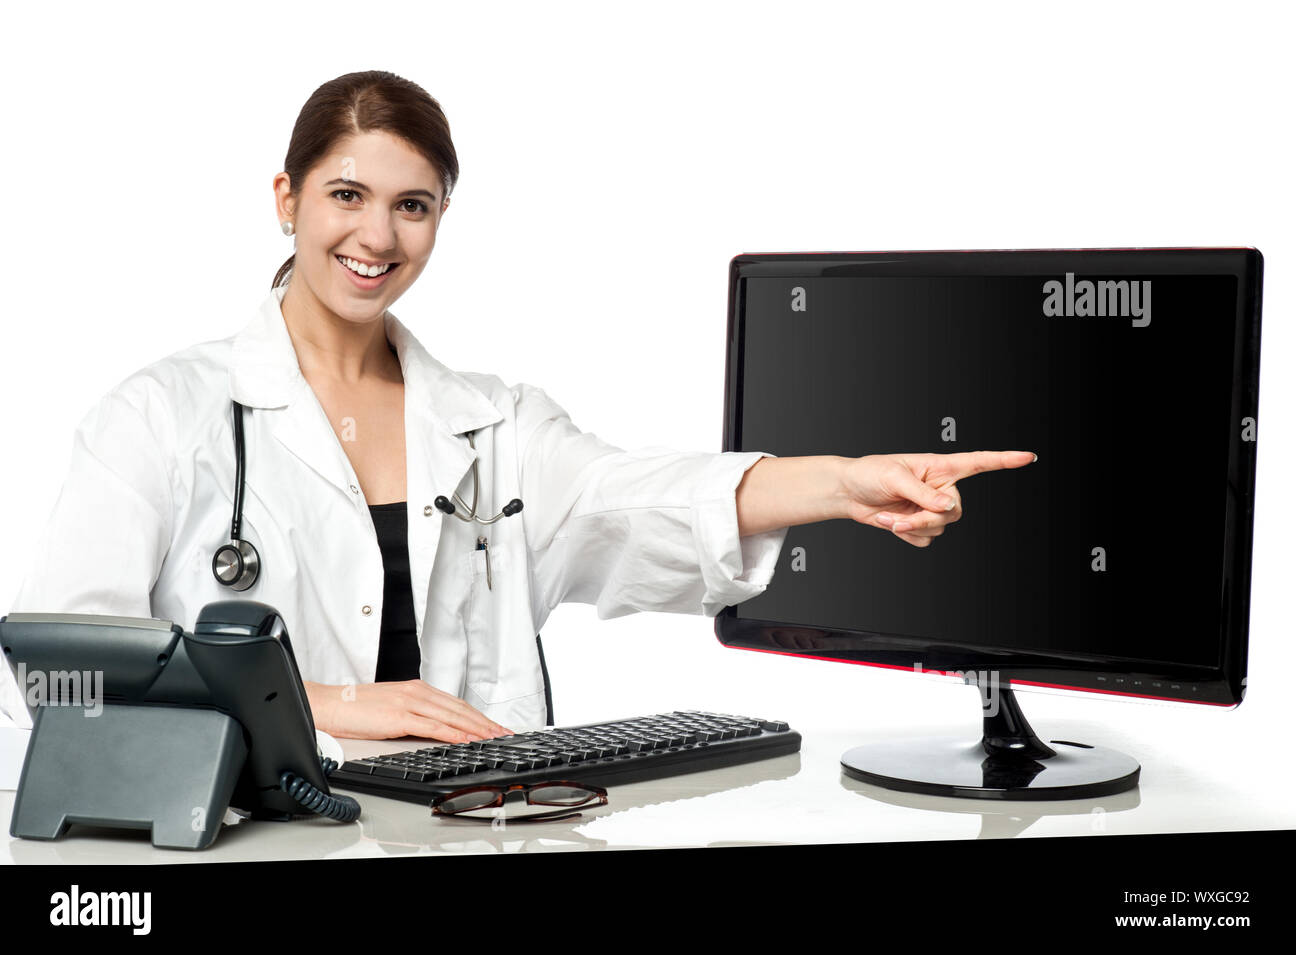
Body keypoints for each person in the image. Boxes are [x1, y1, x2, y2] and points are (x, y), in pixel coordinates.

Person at [1, 71, 1033, 741]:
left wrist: (844, 483)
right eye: (346, 195)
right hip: (246, 843)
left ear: (441, 217)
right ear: (288, 199)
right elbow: (56, 681)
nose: (377, 236)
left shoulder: (491, 426)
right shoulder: (160, 416)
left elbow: (642, 495)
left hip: (472, 825)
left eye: (412, 205)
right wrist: (324, 707)